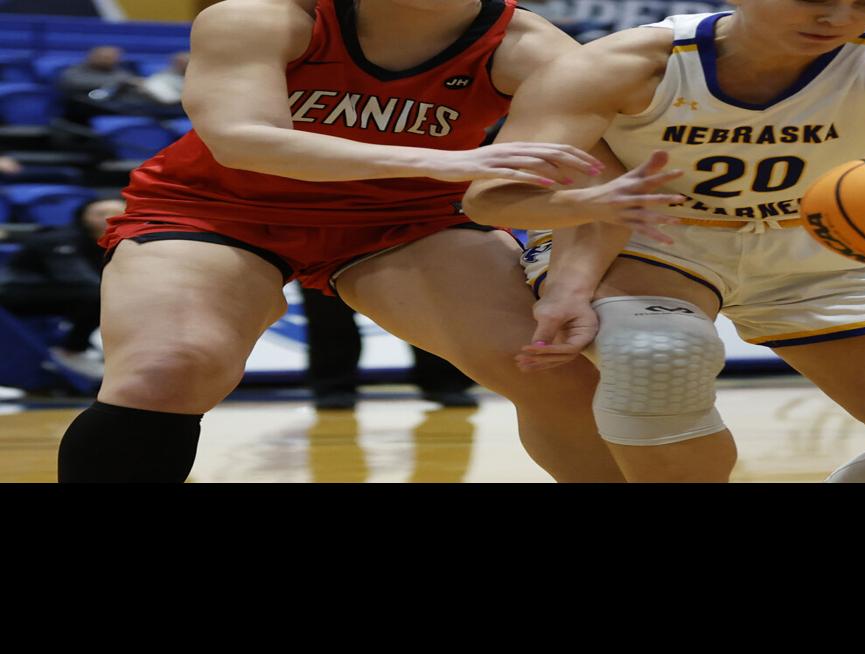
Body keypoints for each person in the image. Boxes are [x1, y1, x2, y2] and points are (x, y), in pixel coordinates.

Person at [464, 0, 865, 482]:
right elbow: (489, 197)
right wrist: (589, 203)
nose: (838, 15)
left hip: (820, 238)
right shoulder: (623, 63)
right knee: (656, 355)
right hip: (652, 237)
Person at [56, 0, 626, 483]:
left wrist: (570, 287)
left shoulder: (537, 50)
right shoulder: (261, 16)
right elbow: (242, 140)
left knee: (557, 372)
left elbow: (597, 183)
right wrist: (443, 160)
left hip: (407, 218)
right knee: (168, 369)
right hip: (216, 211)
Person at [0, 198, 125, 381]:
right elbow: (77, 279)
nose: (108, 218)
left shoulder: (118, 243)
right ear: (83, 217)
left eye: (117, 213)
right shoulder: (60, 238)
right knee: (98, 296)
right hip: (16, 291)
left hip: (61, 293)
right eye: (100, 214)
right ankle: (73, 350)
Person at [301, 287, 480, 409]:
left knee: (422, 301)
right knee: (327, 309)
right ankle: (333, 385)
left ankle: (445, 382)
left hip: (400, 234)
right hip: (329, 236)